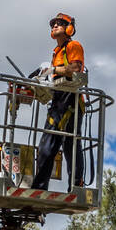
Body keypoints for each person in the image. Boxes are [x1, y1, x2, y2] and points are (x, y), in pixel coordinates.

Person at [31, 13, 86, 190]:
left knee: (51, 142)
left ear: (69, 28)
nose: (54, 26)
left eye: (59, 24)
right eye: (53, 24)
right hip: (60, 97)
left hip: (69, 99)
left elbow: (76, 68)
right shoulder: (57, 51)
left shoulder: (73, 45)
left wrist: (54, 69)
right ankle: (75, 185)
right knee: (69, 143)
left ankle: (41, 187)